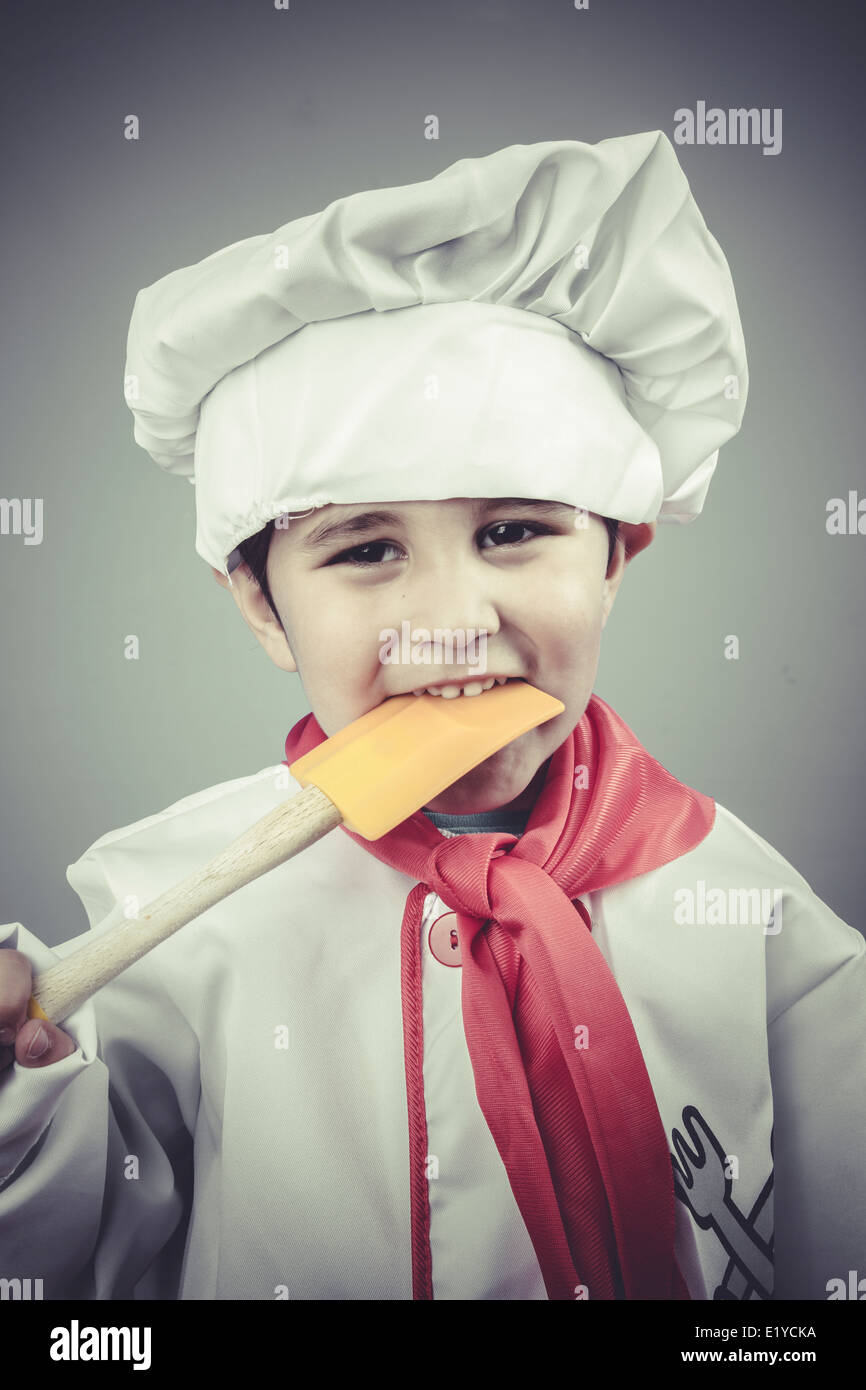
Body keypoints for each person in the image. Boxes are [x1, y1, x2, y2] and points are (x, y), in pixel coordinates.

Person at [1, 131, 863, 1301]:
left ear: (616, 556)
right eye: (363, 549)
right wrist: (19, 1097)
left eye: (513, 530)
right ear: (260, 606)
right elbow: (72, 1275)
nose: (452, 619)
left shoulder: (756, 919)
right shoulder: (167, 920)